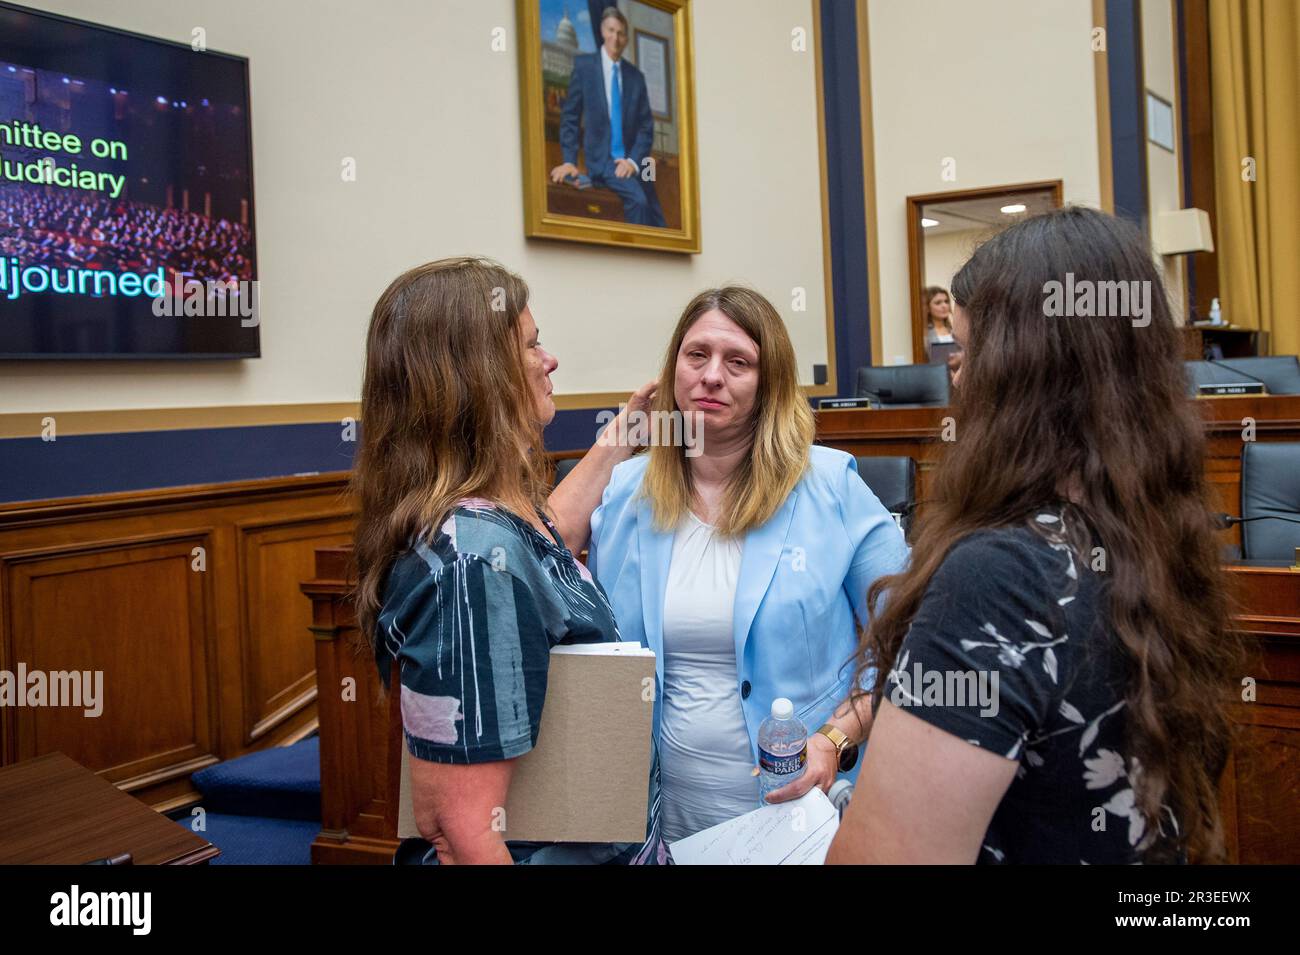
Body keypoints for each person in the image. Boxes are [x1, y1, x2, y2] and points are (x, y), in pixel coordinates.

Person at [772, 206, 1244, 864]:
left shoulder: (1001, 577)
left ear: (1023, 371)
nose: (954, 377)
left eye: (963, 352)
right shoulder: (1160, 528)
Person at [350, 256, 663, 864]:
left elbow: (546, 549)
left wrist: (617, 441)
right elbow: (462, 833)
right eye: (532, 343)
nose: (550, 360)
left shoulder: (493, 517)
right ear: (478, 376)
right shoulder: (470, 569)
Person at [589, 286, 908, 846]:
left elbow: (907, 643)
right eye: (696, 355)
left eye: (738, 362)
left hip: (799, 810)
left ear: (770, 385)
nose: (712, 376)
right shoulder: (624, 493)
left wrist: (835, 739)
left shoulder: (830, 486)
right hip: (656, 812)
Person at [549, 6, 666, 227]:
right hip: (602, 163)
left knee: (657, 212)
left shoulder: (636, 77)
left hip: (631, 164)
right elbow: (570, 117)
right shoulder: (584, 67)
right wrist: (569, 161)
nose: (616, 37)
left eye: (621, 33)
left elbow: (645, 128)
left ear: (626, 39)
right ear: (603, 31)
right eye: (611, 31)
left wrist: (632, 161)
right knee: (639, 201)